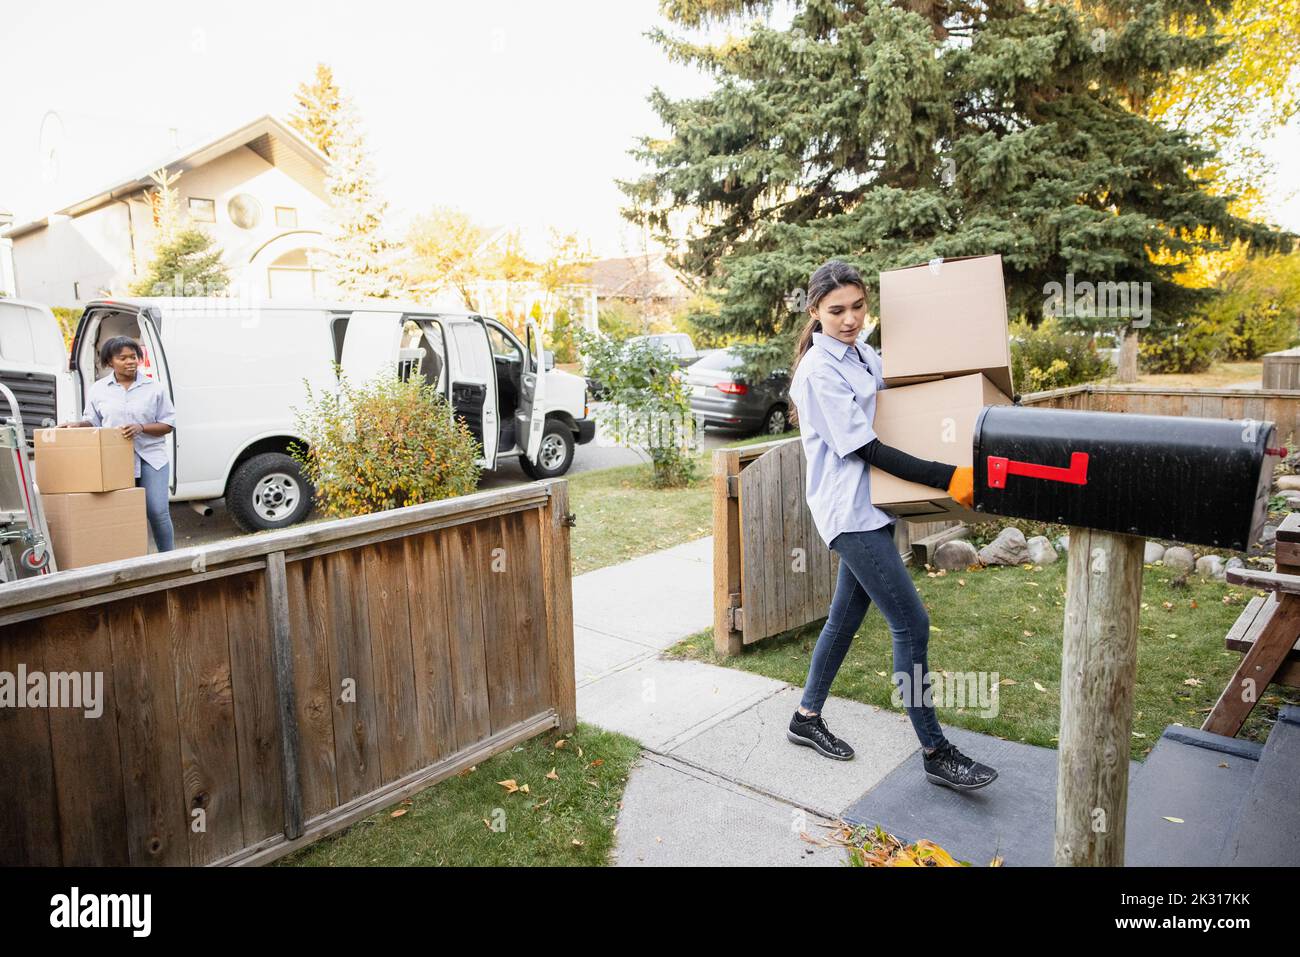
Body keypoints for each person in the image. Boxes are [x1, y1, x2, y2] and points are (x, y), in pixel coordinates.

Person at [784, 260, 997, 791]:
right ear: (815, 312)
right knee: (911, 624)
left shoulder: (862, 354)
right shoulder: (818, 372)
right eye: (837, 310)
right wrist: (950, 477)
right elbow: (867, 447)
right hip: (847, 513)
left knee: (844, 620)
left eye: (858, 306)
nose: (851, 318)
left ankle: (805, 719)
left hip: (875, 508)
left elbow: (904, 402)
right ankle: (935, 750)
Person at [59, 335, 176, 553]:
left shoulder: (154, 388)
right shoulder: (99, 389)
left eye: (134, 357)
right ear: (109, 362)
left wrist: (141, 428)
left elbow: (168, 424)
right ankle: (132, 558)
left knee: (157, 510)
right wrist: (77, 425)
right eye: (123, 358)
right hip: (115, 461)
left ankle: (169, 559)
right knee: (123, 514)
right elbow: (93, 421)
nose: (130, 362)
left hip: (151, 457)